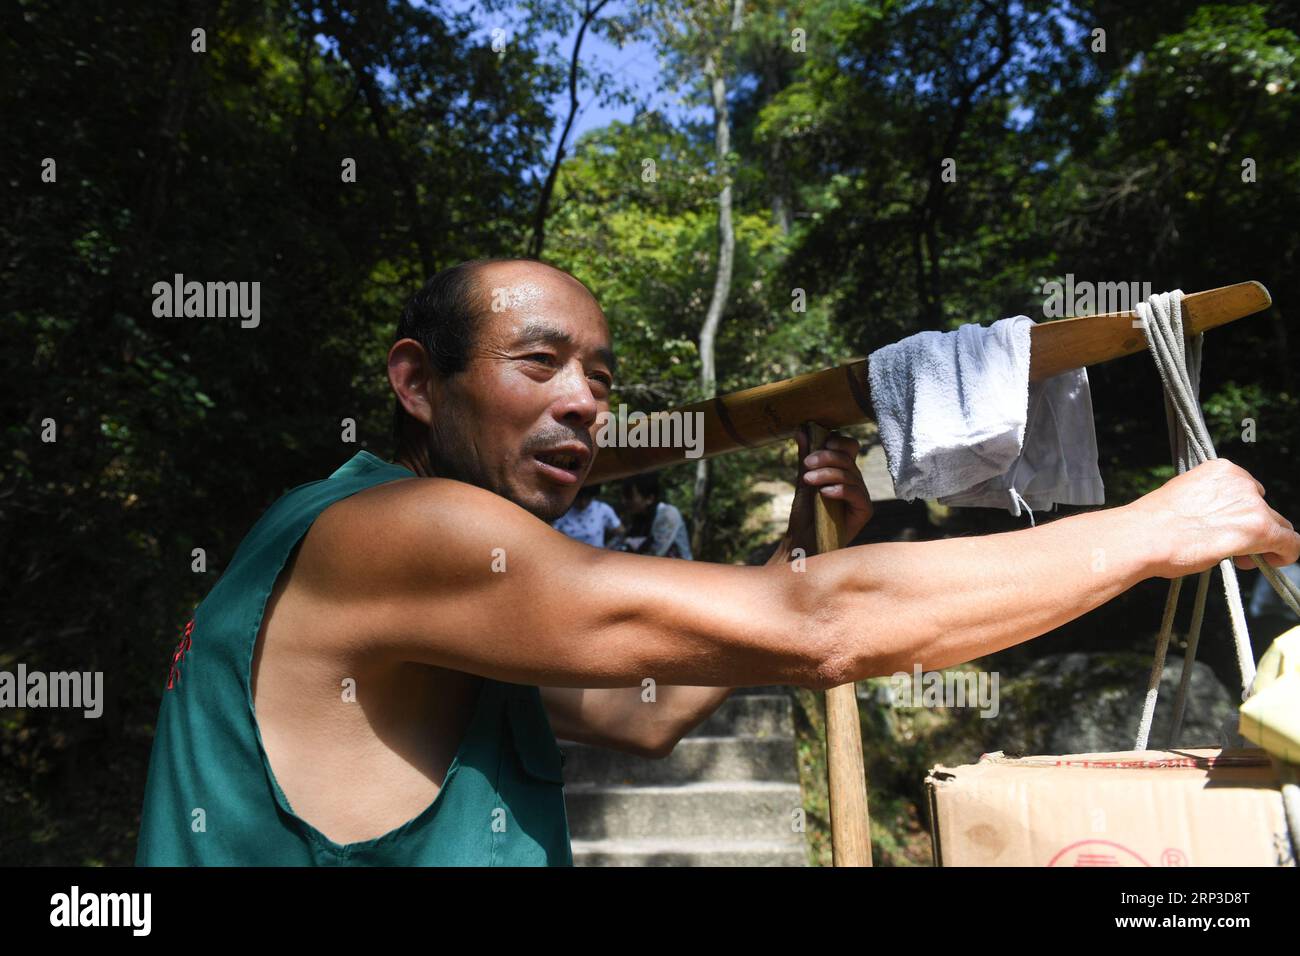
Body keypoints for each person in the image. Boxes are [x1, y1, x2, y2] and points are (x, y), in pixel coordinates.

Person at [135, 256, 1300, 866]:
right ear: (413, 381)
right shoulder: (400, 531)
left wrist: (793, 543)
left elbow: (644, 715)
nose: (585, 404)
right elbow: (819, 630)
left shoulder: (425, 604)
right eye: (539, 364)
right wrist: (1154, 527)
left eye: (601, 378)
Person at [618, 472, 692, 559]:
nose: (624, 501)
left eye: (629, 496)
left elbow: (654, 553)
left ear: (649, 498)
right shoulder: (638, 519)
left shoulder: (667, 514)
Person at [552, 483, 623, 547]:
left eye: (587, 498)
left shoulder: (602, 509)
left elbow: (620, 532)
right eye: (579, 498)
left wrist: (609, 549)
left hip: (596, 557)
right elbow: (553, 537)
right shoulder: (562, 511)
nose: (583, 502)